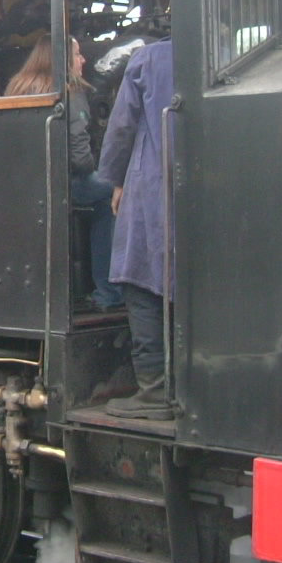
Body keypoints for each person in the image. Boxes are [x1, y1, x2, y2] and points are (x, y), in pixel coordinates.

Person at [7, 34, 122, 310]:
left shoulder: (17, 87)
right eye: (78, 55)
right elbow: (81, 160)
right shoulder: (70, 91)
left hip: (23, 181)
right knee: (115, 194)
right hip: (63, 182)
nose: (83, 60)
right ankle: (109, 293)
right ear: (63, 61)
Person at [97, 37, 175, 419]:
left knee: (139, 279)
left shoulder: (148, 59)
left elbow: (122, 125)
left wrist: (113, 180)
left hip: (153, 183)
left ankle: (154, 389)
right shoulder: (223, 51)